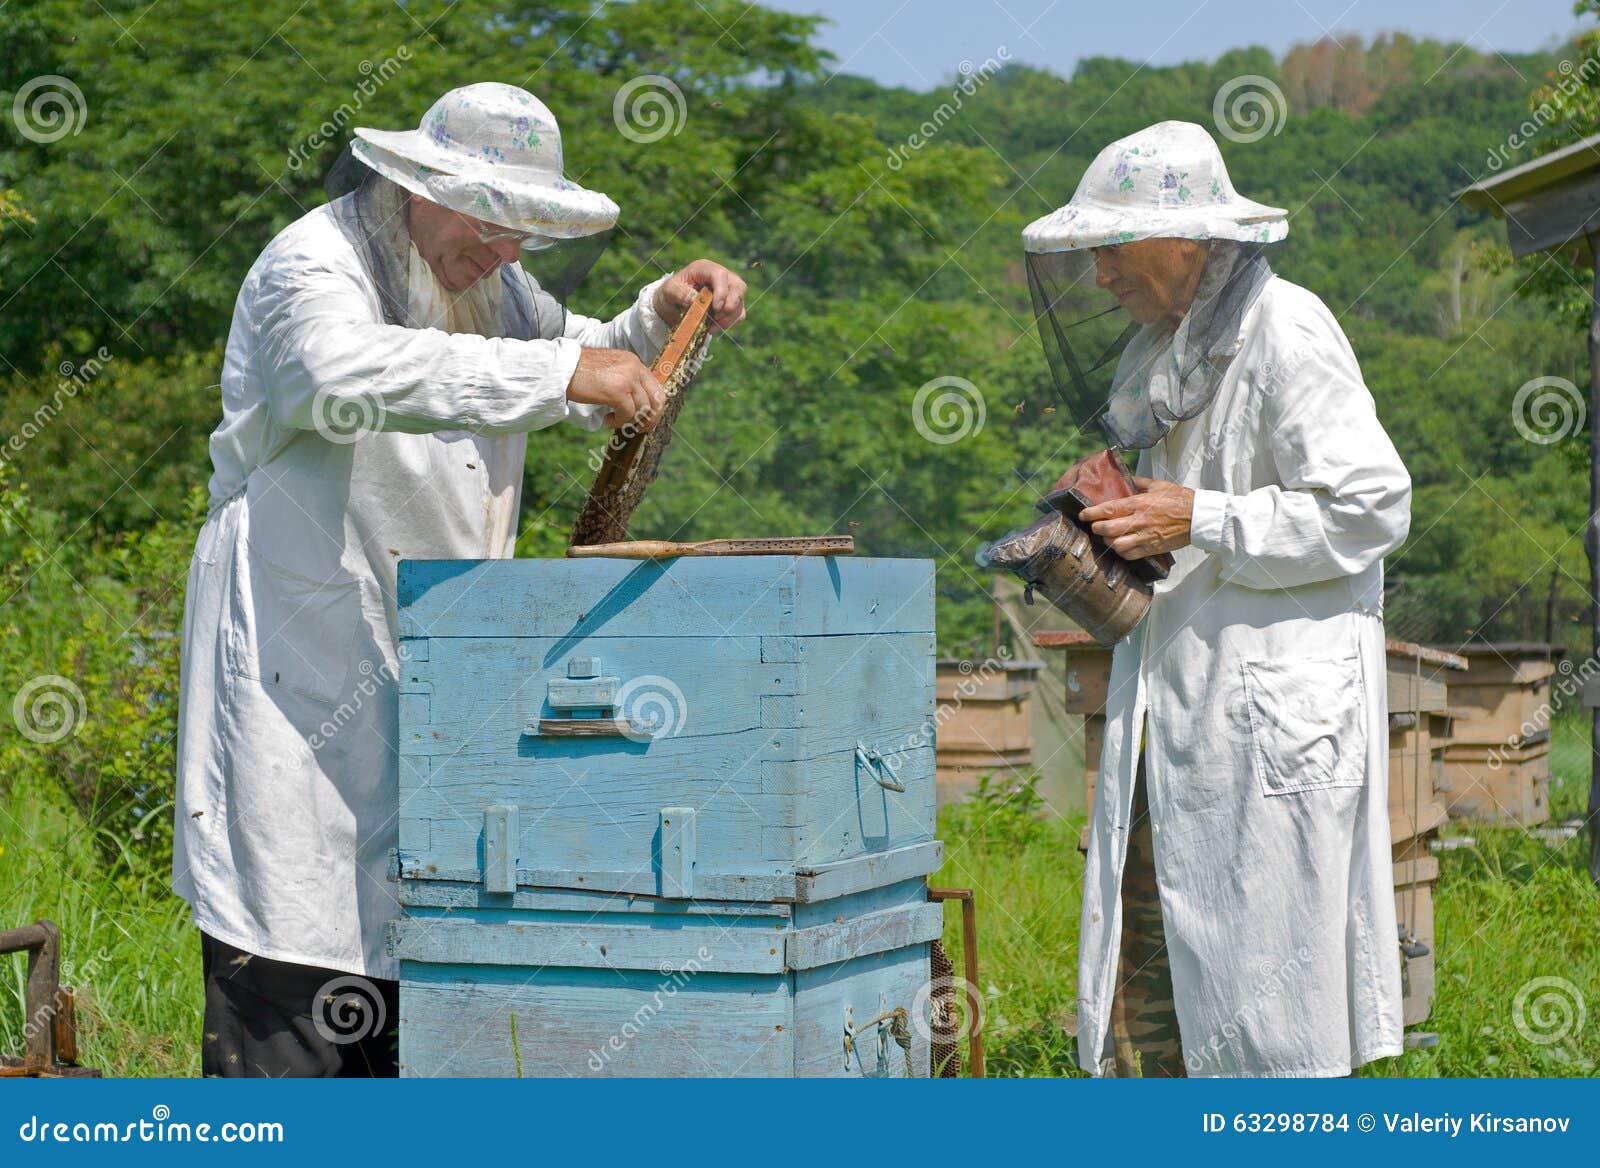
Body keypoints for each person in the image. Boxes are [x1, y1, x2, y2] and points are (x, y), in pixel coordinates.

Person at [173, 82, 747, 1077]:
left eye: (527, 230)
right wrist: (564, 373)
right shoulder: (311, 263)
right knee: (290, 962)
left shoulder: (496, 284)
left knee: (418, 956)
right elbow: (346, 372)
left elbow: (584, 364)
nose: (509, 251)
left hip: (432, 664)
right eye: (493, 224)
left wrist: (655, 316)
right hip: (295, 664)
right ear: (422, 186)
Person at [1022, 121, 1411, 1077]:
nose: (1100, 272)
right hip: (1177, 704)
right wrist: (1106, 510)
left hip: (1267, 710)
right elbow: (1179, 512)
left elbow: (1371, 507)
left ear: (1189, 239)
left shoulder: (1289, 330)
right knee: (1151, 979)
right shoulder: (1162, 351)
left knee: (1274, 1003)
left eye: (1113, 246)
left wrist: (1203, 519)